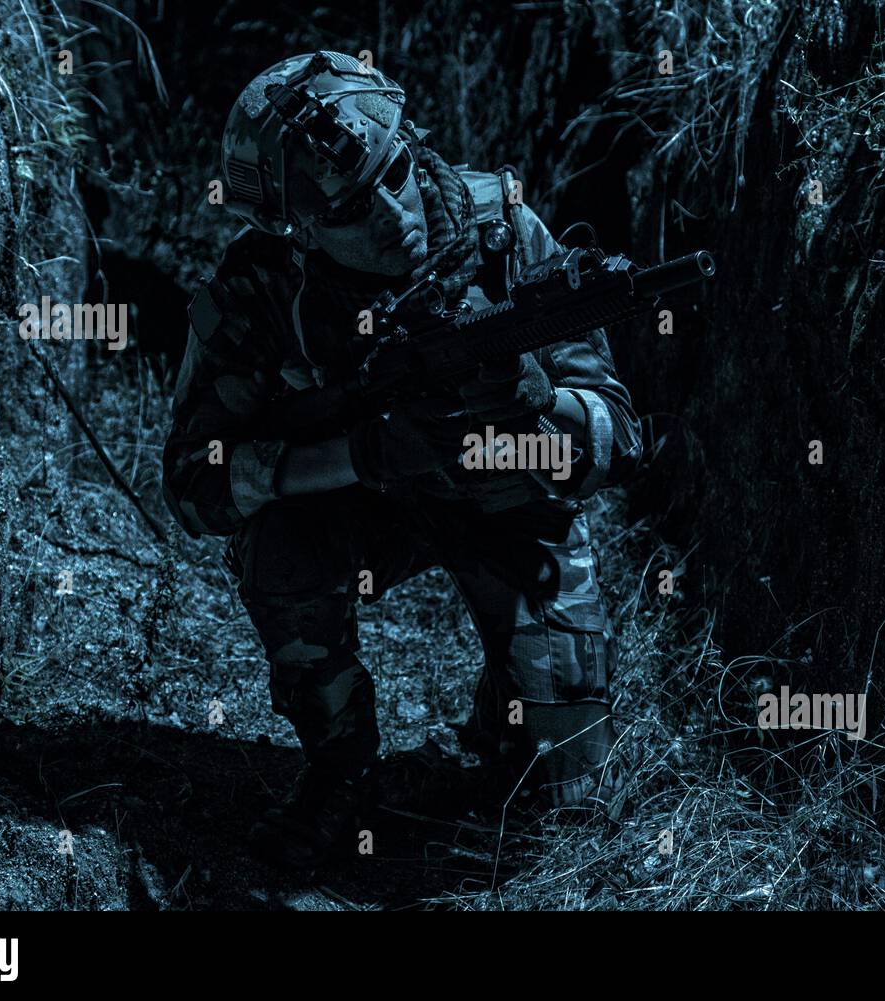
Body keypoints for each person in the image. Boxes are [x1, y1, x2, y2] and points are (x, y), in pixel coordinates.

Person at [161, 50, 642, 875]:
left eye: (397, 173)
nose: (393, 213)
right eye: (352, 208)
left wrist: (536, 402)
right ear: (301, 230)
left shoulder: (500, 232)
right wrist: (356, 455)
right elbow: (194, 483)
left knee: (566, 802)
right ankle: (340, 768)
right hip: (360, 503)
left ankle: (504, 714)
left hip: (501, 496)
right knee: (282, 545)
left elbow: (619, 439)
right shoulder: (261, 294)